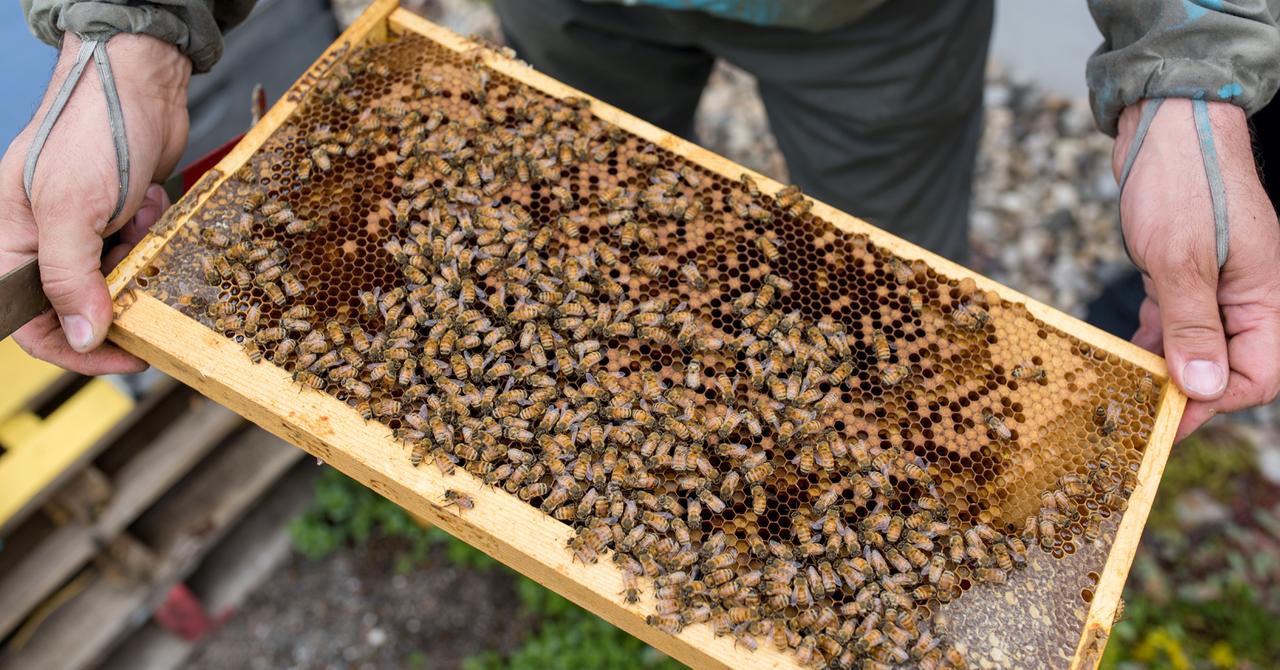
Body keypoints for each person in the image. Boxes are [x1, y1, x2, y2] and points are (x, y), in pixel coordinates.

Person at [4, 0, 1279, 441]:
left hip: (873, 25)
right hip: (574, 6)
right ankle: (619, 368)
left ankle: (867, 408)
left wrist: (1188, 74)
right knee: (582, 224)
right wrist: (134, 30)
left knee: (889, 293)